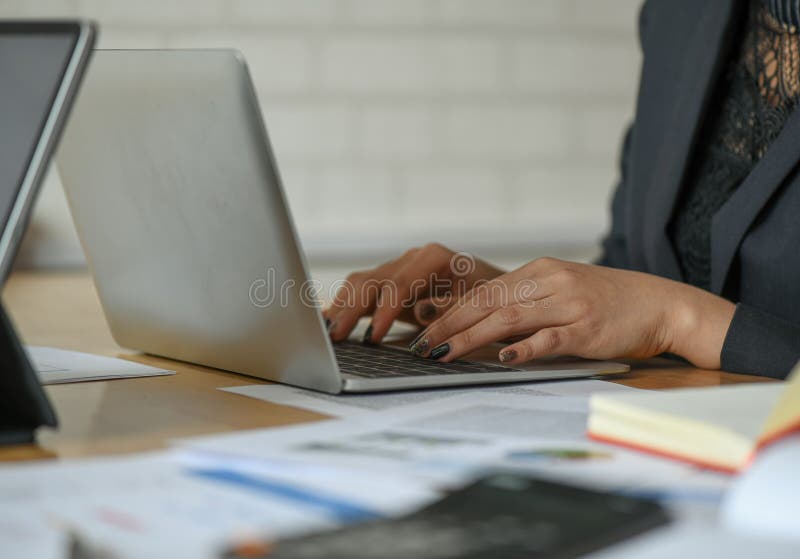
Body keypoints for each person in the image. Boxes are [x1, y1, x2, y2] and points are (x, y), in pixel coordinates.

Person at [323, 0, 800, 380]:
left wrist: (678, 317)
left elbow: (661, 305)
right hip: (647, 436)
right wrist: (516, 305)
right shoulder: (679, 12)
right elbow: (633, 274)